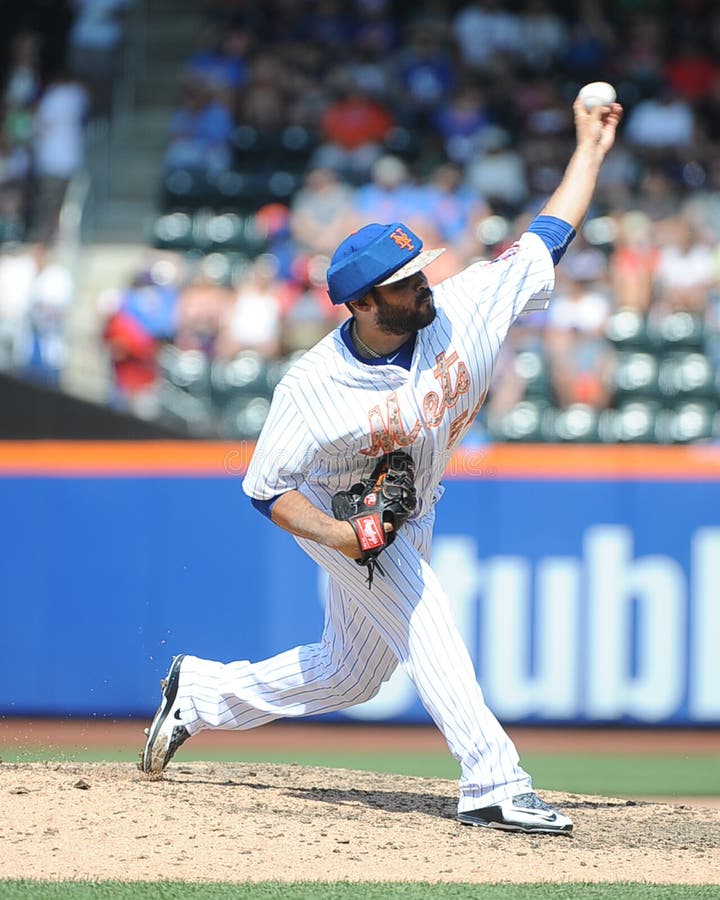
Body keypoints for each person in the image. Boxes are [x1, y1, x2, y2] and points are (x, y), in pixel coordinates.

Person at [141, 95, 622, 835]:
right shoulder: (311, 387)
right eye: (405, 280)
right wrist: (345, 537)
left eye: (421, 268)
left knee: (354, 673)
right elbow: (264, 489)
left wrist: (589, 149)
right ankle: (493, 780)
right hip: (337, 509)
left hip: (411, 504)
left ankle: (200, 695)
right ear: (362, 303)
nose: (424, 283)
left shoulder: (464, 307)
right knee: (424, 614)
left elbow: (547, 237)